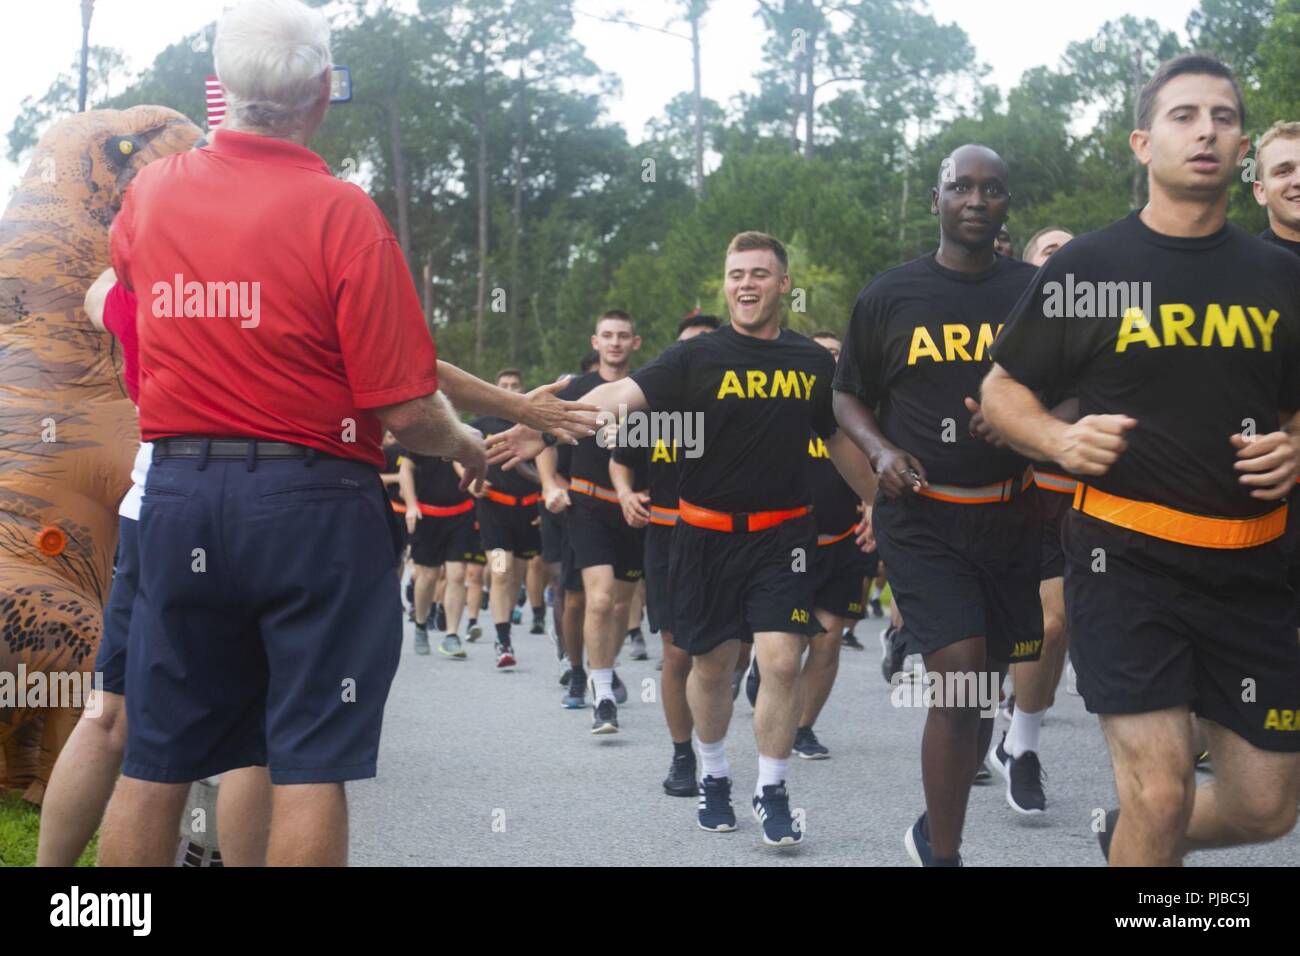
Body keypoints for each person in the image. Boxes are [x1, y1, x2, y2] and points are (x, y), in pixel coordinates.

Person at [97, 0, 593, 867]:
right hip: (310, 503)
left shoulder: (151, 193)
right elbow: (403, 406)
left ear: (221, 90)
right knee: (309, 760)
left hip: (177, 493)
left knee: (156, 755)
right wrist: (472, 446)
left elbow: (126, 294)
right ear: (323, 94)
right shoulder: (343, 215)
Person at [982, 54, 1300, 866]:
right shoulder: (1091, 268)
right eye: (1184, 116)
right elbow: (1001, 391)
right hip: (1127, 561)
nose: (1206, 131)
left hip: (1255, 571)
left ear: (1240, 150)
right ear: (1141, 141)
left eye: (1224, 118)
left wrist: (1294, 447)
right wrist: (1057, 439)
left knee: (1267, 811)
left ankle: (1128, 843)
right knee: (1160, 792)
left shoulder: (1279, 276)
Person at [490, 232, 878, 847]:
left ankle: (773, 789)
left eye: (759, 274)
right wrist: (548, 424)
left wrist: (878, 504)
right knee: (713, 666)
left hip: (783, 539)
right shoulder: (696, 359)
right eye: (735, 275)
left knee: (781, 659)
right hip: (702, 539)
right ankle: (714, 772)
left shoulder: (810, 362)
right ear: (725, 284)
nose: (746, 284)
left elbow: (838, 443)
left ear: (783, 284)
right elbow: (617, 395)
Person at [833, 145, 1042, 866]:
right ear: (937, 199)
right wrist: (880, 450)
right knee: (959, 674)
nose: (976, 199)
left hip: (1014, 513)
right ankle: (945, 855)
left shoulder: (1035, 290)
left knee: (981, 686)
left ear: (1007, 202)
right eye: (961, 187)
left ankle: (933, 825)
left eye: (992, 188)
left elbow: (1078, 384)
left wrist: (1026, 418)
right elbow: (846, 391)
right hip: (922, 515)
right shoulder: (891, 295)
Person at [38, 272, 272, 867]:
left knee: (108, 713)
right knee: (255, 733)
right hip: (255, 504)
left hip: (154, 506)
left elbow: (96, 295)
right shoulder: (274, 275)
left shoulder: (162, 289)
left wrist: (140, 240)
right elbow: (399, 376)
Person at [745, 329, 870, 761]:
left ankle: (804, 728)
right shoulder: (782, 409)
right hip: (787, 543)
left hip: (843, 539)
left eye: (835, 355)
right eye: (820, 355)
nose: (827, 361)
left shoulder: (858, 414)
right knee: (790, 645)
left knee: (830, 638)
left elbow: (874, 466)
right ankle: (765, 675)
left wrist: (875, 506)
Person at [610, 312, 719, 795]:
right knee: (677, 653)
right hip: (670, 536)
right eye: (687, 348)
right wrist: (627, 494)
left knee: (721, 655)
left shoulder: (744, 406)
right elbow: (620, 463)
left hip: (733, 539)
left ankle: (720, 727)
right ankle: (683, 756)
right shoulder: (654, 410)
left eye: (706, 345)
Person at [987, 224, 1075, 813]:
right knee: (1012, 630)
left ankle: (1022, 746)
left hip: (1088, 495)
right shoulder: (1006, 320)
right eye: (1050, 251)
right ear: (1028, 266)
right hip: (1014, 492)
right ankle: (983, 724)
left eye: (1073, 250)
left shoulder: (1111, 321)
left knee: (1055, 622)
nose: (1063, 259)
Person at [538, 312, 644, 734]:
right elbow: (544, 441)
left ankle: (604, 668)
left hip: (634, 512)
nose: (615, 343)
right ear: (595, 341)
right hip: (586, 507)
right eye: (607, 336)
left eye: (622, 336)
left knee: (619, 605)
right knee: (591, 600)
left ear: (635, 343)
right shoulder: (578, 390)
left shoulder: (646, 392)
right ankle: (593, 685)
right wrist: (549, 484)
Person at [472, 369, 544, 668]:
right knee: (500, 572)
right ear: (495, 388)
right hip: (495, 511)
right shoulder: (483, 424)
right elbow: (454, 454)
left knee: (516, 575)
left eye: (515, 385)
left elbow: (550, 464)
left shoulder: (534, 423)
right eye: (504, 385)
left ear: (523, 388)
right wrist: (474, 482)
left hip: (529, 512)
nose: (511, 389)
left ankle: (508, 622)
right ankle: (503, 641)